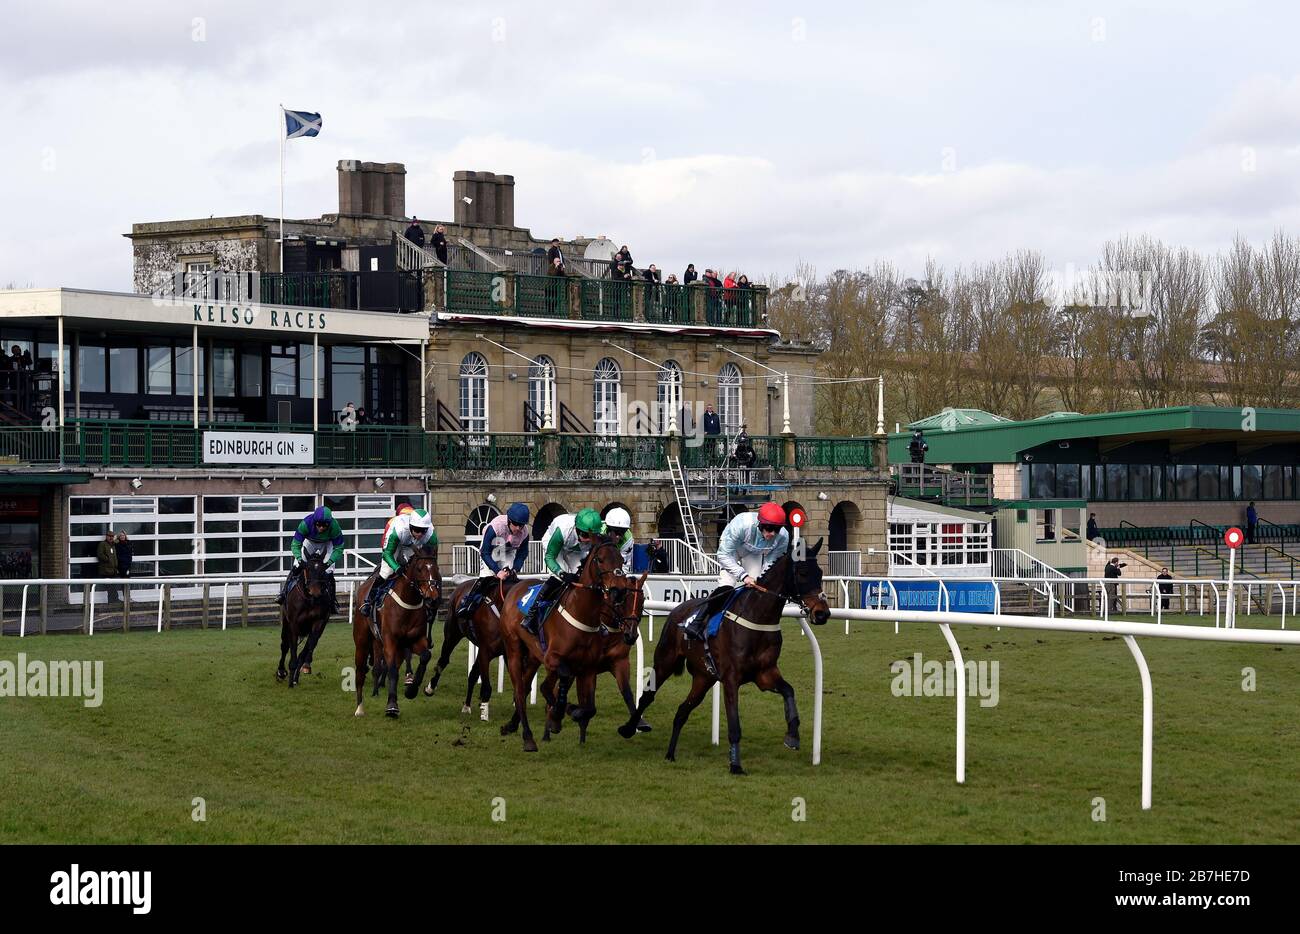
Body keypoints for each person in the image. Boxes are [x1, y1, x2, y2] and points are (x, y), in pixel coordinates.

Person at [684, 503, 790, 674]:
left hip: (753, 554)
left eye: (776, 529)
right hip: (731, 552)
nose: (771, 534)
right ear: (760, 524)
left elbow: (771, 561)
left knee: (755, 588)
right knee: (726, 587)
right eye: (768, 528)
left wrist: (759, 578)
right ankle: (697, 619)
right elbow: (723, 554)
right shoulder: (742, 525)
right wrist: (743, 575)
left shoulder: (783, 537)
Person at [520, 508, 604, 635]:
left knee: (583, 577)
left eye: (591, 536)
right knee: (560, 578)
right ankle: (531, 615)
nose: (588, 540)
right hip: (554, 544)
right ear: (577, 529)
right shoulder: (563, 530)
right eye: (585, 535)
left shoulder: (597, 532)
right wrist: (562, 573)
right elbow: (550, 557)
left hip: (575, 550)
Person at [360, 508, 437, 621]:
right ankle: (368, 601)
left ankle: (429, 606)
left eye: (423, 530)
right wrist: (396, 568)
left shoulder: (431, 536)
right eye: (417, 529)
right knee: (386, 572)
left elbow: (432, 560)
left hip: (410, 545)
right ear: (410, 526)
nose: (420, 534)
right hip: (396, 541)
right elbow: (387, 554)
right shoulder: (398, 530)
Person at [277, 506, 344, 612]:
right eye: (319, 525)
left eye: (325, 525)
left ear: (329, 523)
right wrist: (299, 559)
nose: (321, 528)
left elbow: (339, 548)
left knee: (329, 571)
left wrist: (329, 562)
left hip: (327, 543)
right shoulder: (306, 523)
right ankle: (283, 594)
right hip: (310, 542)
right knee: (296, 566)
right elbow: (295, 544)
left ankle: (332, 602)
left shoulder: (335, 526)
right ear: (314, 522)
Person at [473, 502, 531, 600]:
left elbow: (522, 553)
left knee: (510, 578)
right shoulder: (495, 527)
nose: (518, 528)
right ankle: (469, 603)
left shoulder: (524, 532)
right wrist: (497, 571)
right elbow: (485, 553)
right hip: (491, 551)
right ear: (509, 520)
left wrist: (515, 569)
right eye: (516, 524)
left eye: (521, 525)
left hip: (508, 551)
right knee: (486, 579)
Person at [603, 507, 635, 572]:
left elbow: (624, 566)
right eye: (616, 532)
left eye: (622, 532)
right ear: (608, 529)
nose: (618, 536)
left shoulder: (628, 539)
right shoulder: (599, 532)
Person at [97, 531, 119, 604]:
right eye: (109, 536)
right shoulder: (103, 544)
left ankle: (115, 600)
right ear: (106, 536)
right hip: (106, 570)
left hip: (113, 570)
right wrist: (107, 559)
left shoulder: (113, 545)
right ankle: (112, 602)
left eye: (112, 536)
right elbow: (100, 554)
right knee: (110, 587)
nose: (111, 537)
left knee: (114, 586)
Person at [115, 533, 133, 598]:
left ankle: (128, 597)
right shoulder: (117, 545)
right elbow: (117, 556)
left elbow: (130, 555)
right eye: (121, 536)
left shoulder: (129, 544)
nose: (122, 537)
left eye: (123, 535)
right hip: (121, 566)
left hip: (128, 565)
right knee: (123, 582)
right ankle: (125, 597)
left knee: (128, 582)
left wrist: (129, 566)